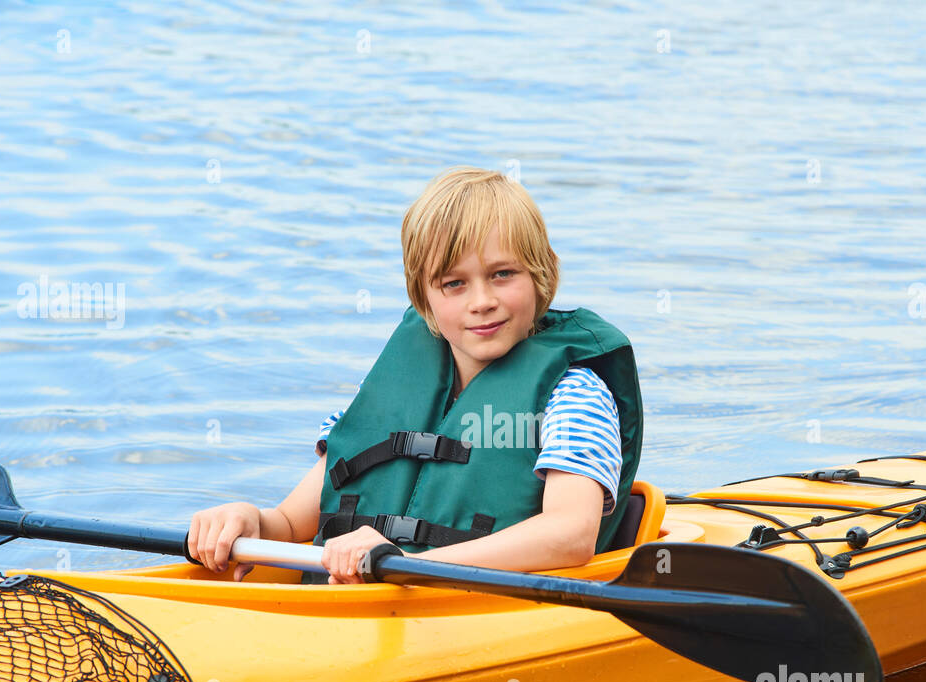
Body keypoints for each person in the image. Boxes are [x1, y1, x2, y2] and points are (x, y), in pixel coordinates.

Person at [187, 167, 643, 584]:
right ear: (423, 299)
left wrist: (406, 564)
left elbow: (570, 536)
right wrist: (248, 521)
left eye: (503, 274)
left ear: (542, 276)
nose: (481, 300)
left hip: (475, 612)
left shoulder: (574, 395)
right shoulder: (393, 393)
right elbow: (289, 524)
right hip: (346, 607)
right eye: (454, 283)